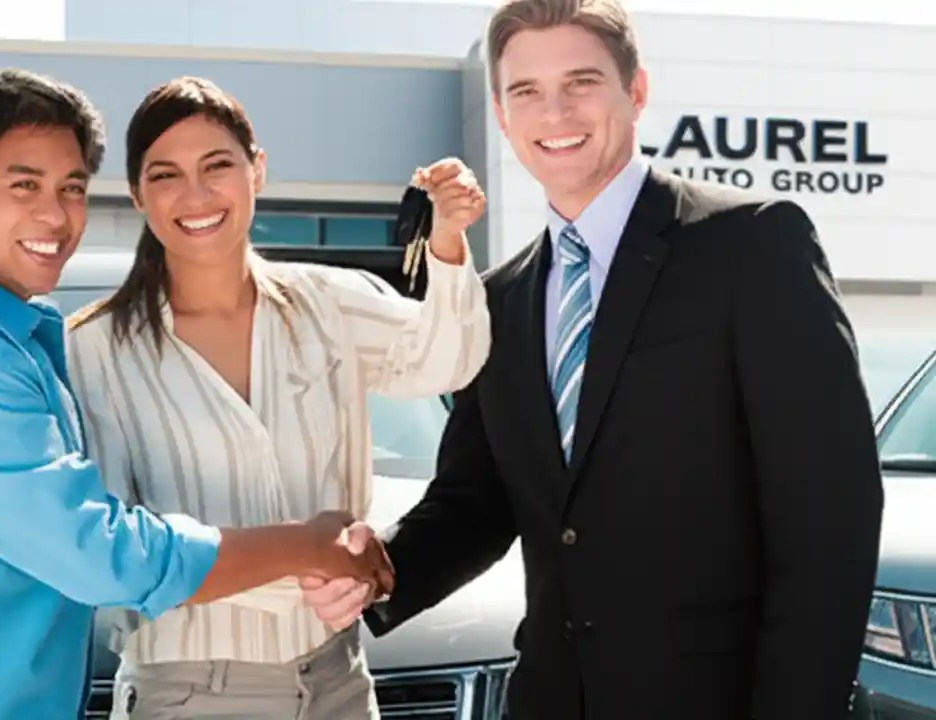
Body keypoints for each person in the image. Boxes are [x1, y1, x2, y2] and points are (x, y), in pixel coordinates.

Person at [302, 1, 886, 718]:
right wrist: (378, 568)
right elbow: (473, 503)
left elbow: (832, 516)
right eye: (527, 91)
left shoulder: (753, 248)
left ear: (635, 91)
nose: (555, 112)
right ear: (501, 112)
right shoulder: (500, 301)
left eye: (581, 82)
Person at [0, 67, 392, 720]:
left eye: (71, 188)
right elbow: (97, 552)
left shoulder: (6, 330)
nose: (55, 215)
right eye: (24, 186)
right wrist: (304, 545)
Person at [64, 75, 491, 720]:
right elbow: (123, 553)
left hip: (339, 682)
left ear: (256, 170)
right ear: (136, 194)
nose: (197, 195)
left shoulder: (329, 302)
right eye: (165, 175)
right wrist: (317, 565)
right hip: (189, 694)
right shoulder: (96, 349)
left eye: (218, 166)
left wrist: (448, 240)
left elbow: (446, 359)